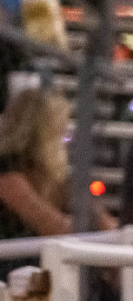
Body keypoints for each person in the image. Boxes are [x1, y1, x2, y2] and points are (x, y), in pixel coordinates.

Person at [0, 87, 87, 271]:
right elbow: (51, 225)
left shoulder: (51, 179)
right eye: (61, 133)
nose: (65, 143)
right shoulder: (8, 173)